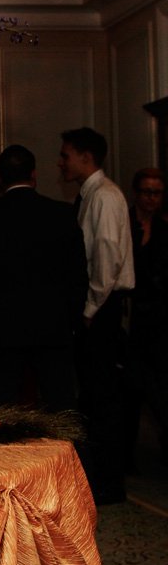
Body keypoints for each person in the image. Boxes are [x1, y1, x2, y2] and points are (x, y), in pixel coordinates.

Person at [0, 144, 87, 411]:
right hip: (52, 328)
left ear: (0, 177)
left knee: (2, 412)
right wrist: (72, 321)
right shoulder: (61, 215)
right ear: (34, 175)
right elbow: (77, 276)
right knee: (60, 410)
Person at [57, 128, 135, 503]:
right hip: (98, 305)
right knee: (94, 394)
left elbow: (106, 257)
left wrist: (89, 309)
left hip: (101, 307)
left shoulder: (104, 195)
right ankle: (98, 478)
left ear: (86, 157)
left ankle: (107, 482)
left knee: (102, 396)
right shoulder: (93, 194)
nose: (61, 162)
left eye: (66, 155)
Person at [124, 167, 168, 469]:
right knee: (128, 390)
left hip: (157, 321)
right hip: (129, 318)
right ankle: (126, 454)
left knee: (159, 389)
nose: (151, 198)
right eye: (146, 192)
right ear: (136, 193)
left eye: (157, 193)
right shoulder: (126, 224)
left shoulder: (163, 230)